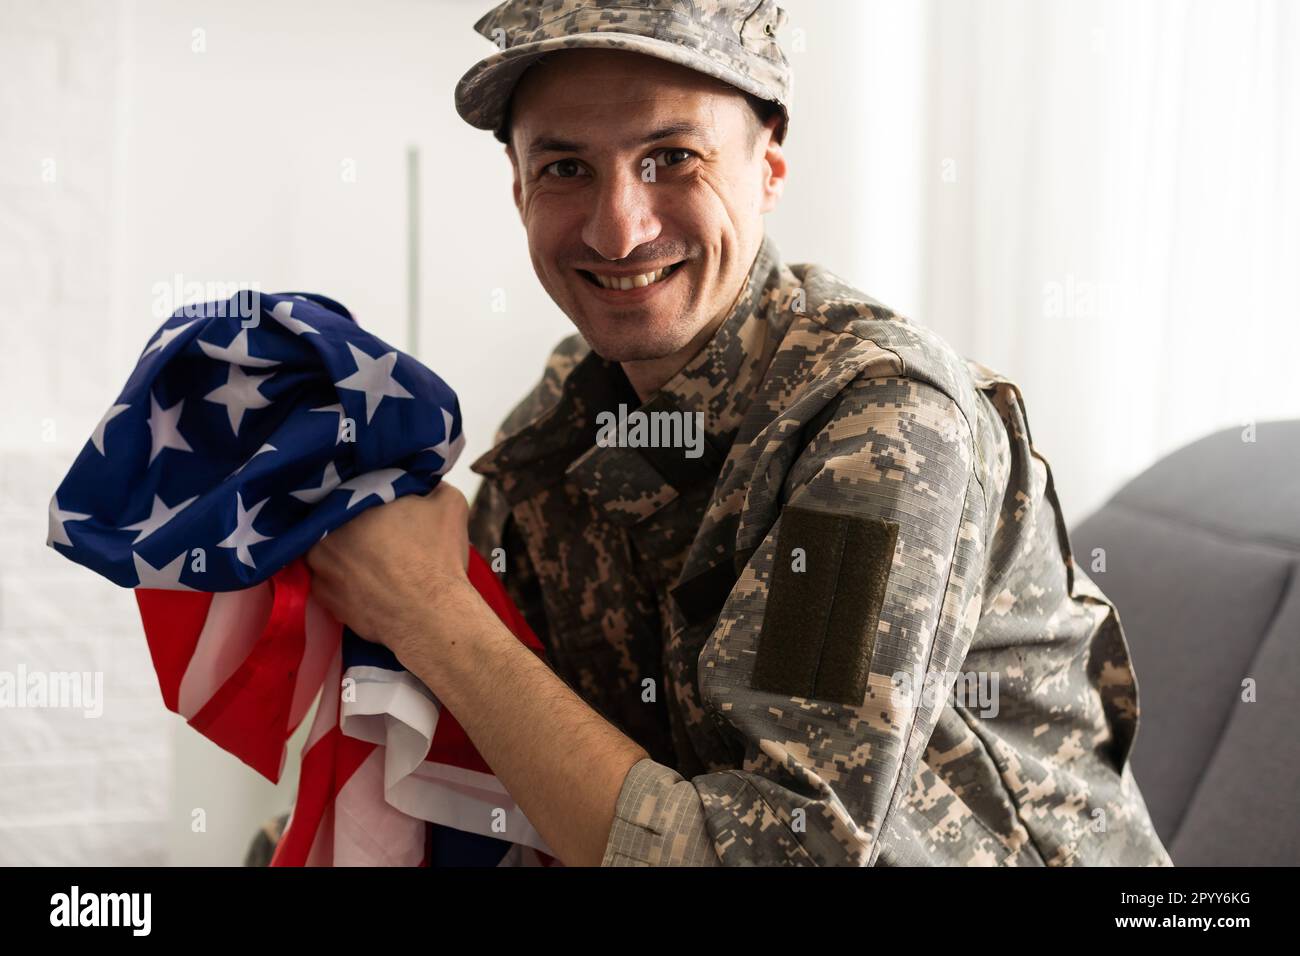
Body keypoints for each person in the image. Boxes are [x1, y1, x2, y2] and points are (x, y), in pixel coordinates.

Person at [304, 0, 1172, 866]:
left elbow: (779, 854)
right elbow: (481, 753)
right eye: (566, 167)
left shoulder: (881, 427)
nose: (618, 228)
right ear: (519, 188)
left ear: (769, 169)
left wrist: (428, 610)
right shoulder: (565, 416)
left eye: (672, 157)